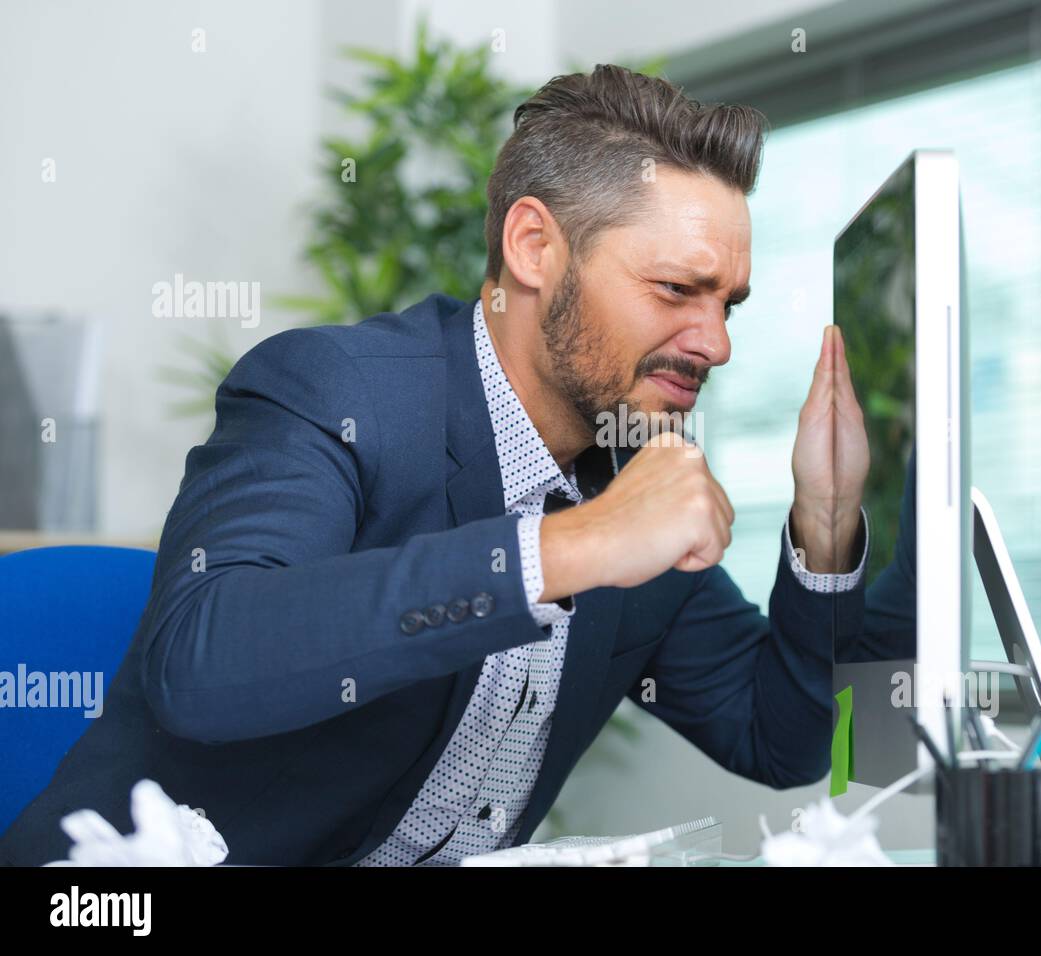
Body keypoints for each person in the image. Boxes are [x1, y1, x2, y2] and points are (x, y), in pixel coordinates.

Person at [0, 64, 873, 867]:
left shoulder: (631, 474)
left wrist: (826, 523)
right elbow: (202, 659)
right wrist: (565, 550)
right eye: (676, 290)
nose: (715, 343)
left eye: (728, 304)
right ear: (534, 247)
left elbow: (779, 739)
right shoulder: (336, 391)